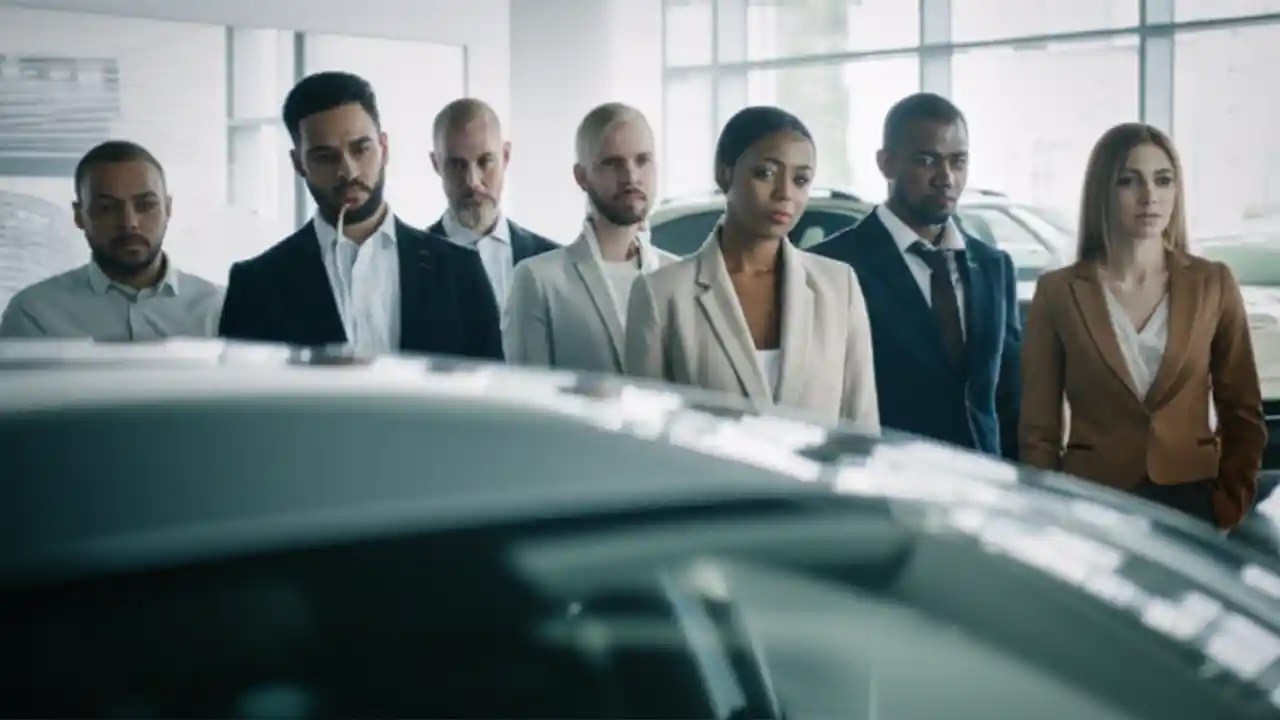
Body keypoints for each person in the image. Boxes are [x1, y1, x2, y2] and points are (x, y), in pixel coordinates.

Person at [1019, 122, 1265, 530]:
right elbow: (1038, 429)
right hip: (1092, 499)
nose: (1150, 196)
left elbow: (1242, 411)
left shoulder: (1212, 283)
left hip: (1194, 497)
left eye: (1163, 180)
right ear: (1103, 190)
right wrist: (1050, 511)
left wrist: (1229, 503)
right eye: (1128, 181)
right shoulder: (1058, 291)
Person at [625, 106, 878, 431]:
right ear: (724, 173)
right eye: (766, 173)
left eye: (801, 180)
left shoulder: (838, 287)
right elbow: (646, 434)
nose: (785, 194)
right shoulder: (662, 294)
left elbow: (861, 427)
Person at [218, 72, 501, 360]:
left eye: (361, 149)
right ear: (298, 163)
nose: (349, 172)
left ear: (384, 148)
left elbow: (490, 395)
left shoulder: (460, 270)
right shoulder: (255, 285)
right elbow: (241, 401)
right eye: (325, 157)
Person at [810, 93, 1020, 457]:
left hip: (983, 487)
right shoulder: (832, 265)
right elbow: (822, 400)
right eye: (927, 161)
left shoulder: (993, 266)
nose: (946, 178)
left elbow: (1010, 397)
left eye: (959, 161)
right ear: (886, 163)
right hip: (886, 485)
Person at [504, 103, 669, 373]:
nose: (631, 176)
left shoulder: (678, 274)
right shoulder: (539, 281)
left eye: (642, 160)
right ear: (582, 177)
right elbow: (528, 404)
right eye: (612, 163)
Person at [0, 140, 223, 340]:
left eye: (145, 205)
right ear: (79, 215)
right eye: (107, 208)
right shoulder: (34, 314)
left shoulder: (220, 308)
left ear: (168, 208)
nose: (129, 222)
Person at [428, 98, 557, 313]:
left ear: (506, 156)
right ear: (436, 164)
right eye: (457, 165)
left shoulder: (552, 262)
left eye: (485, 161)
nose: (472, 181)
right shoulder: (408, 266)